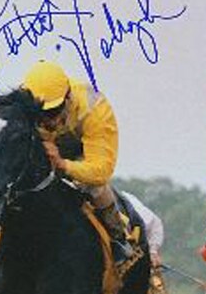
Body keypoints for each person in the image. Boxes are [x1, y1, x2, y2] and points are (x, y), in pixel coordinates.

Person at [20, 59, 141, 265]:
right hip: (41, 152)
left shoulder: (95, 108)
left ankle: (118, 238)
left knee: (95, 187)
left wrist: (62, 164)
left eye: (53, 112)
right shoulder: (21, 106)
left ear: (68, 98)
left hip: (81, 152)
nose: (48, 120)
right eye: (41, 114)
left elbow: (101, 170)